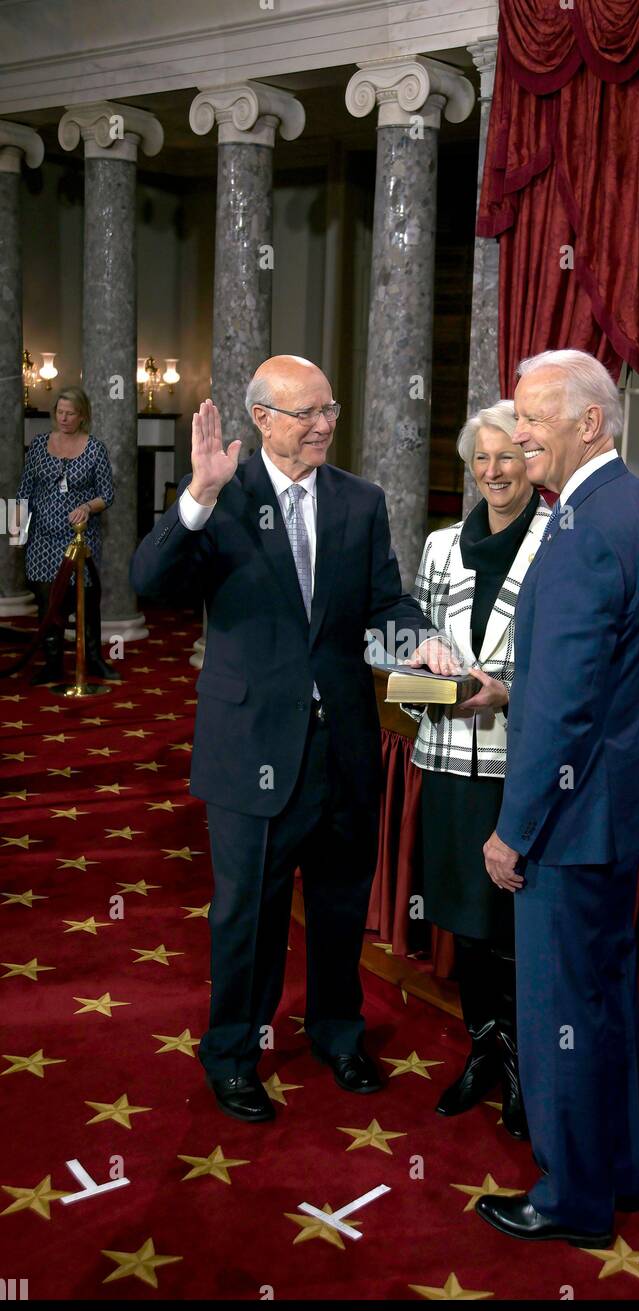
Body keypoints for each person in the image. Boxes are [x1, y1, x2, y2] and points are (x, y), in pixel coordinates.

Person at [130, 355, 453, 1123]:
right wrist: (198, 496)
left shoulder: (360, 501)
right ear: (263, 420)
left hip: (340, 745)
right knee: (248, 914)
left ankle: (339, 1034)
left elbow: (386, 599)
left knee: (341, 904)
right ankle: (234, 1053)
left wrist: (419, 636)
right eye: (305, 413)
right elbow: (151, 582)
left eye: (328, 409)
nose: (322, 424)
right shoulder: (224, 499)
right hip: (250, 748)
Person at [476, 349, 639, 1247]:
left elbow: (567, 706)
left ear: (591, 423)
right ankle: (613, 1173)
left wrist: (514, 832)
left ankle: (570, 1202)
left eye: (534, 418)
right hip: (624, 806)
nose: (518, 432)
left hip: (568, 825)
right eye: (517, 415)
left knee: (558, 1013)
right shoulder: (636, 506)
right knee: (604, 999)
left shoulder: (580, 527)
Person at [403, 402, 551, 1138]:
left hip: (519, 769)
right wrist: (420, 676)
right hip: (447, 763)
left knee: (511, 926)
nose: (494, 472)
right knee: (462, 918)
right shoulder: (436, 547)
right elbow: (416, 647)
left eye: (507, 457)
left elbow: (571, 670)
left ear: (530, 459)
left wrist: (508, 695)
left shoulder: (560, 540)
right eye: (480, 461)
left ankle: (528, 1070)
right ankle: (482, 1052)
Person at [13, 387, 117, 684]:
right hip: (42, 542)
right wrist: (14, 535)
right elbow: (24, 490)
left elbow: (107, 495)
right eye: (59, 412)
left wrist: (86, 506)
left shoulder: (96, 449)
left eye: (70, 413)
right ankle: (52, 662)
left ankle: (93, 659)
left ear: (82, 415)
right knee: (48, 605)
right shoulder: (38, 445)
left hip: (80, 542)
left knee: (86, 601)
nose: (64, 418)